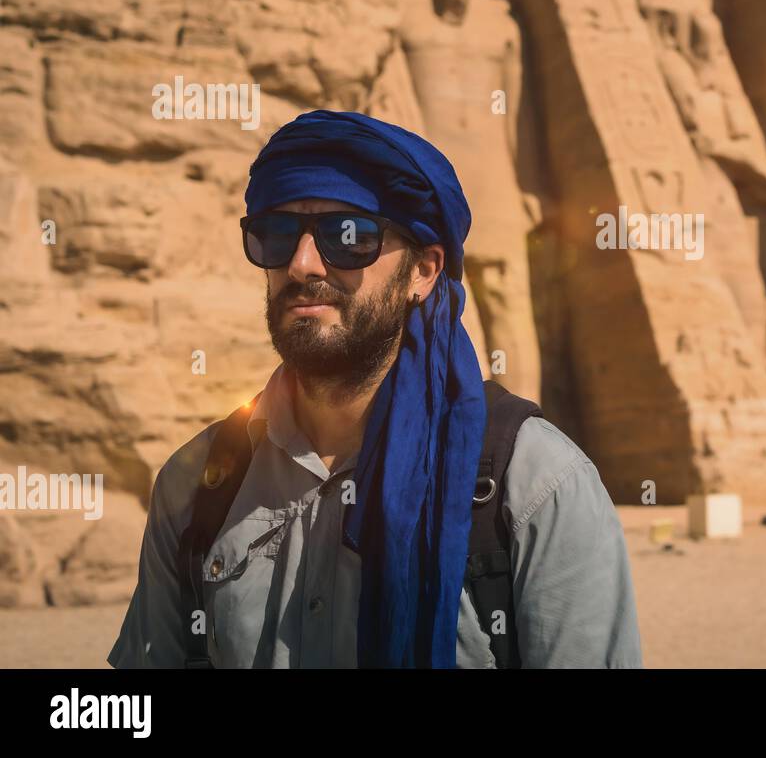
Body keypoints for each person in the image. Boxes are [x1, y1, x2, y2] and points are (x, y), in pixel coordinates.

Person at [108, 109, 642, 668]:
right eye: (278, 235)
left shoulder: (535, 486)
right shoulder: (197, 484)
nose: (302, 264)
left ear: (424, 271)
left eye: (348, 235)